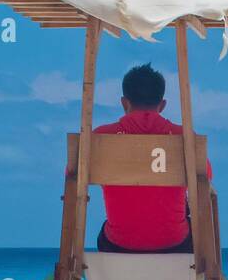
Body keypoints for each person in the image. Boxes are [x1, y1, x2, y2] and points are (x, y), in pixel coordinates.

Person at [90, 63, 212, 254]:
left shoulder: (102, 137)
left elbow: (73, 175)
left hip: (118, 245)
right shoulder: (184, 138)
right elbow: (205, 177)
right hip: (175, 244)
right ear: (162, 105)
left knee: (108, 228)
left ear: (124, 103)